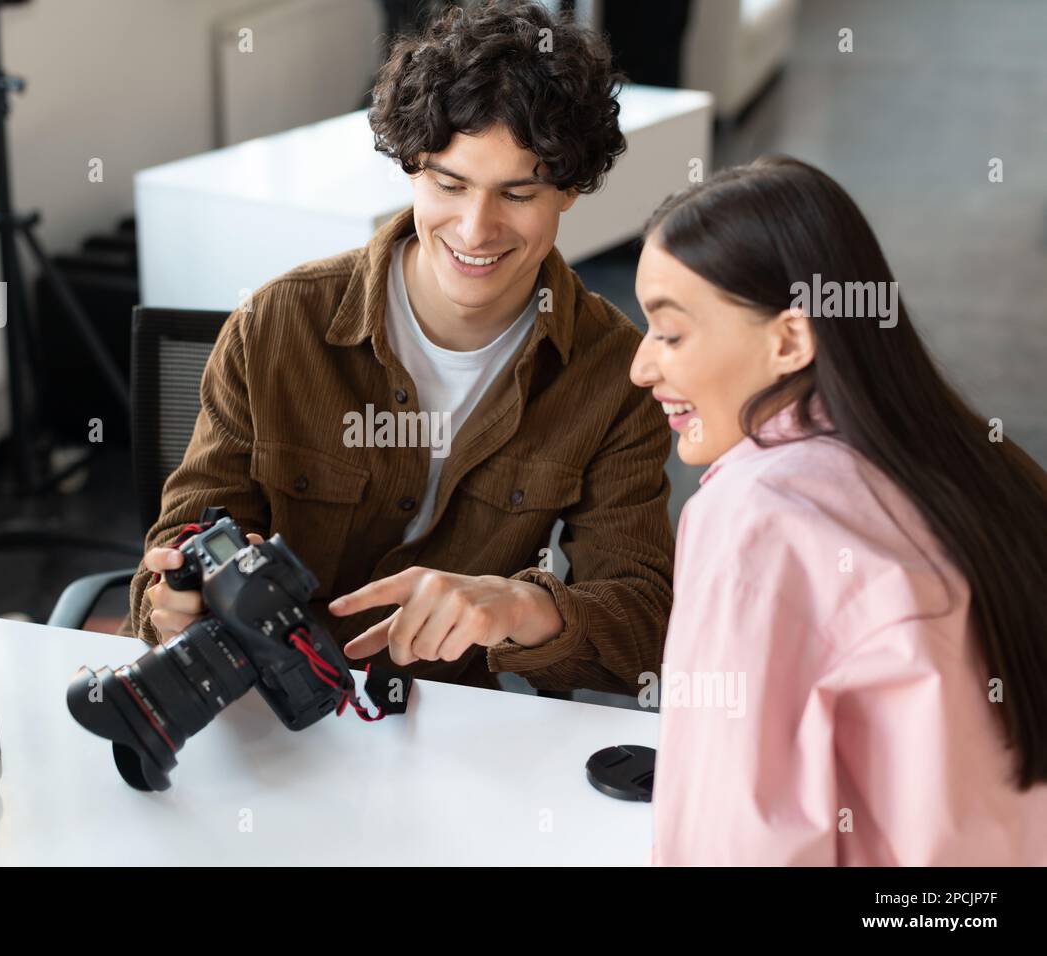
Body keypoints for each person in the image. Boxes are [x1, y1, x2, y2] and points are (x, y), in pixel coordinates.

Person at [122, 0, 674, 693]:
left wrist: (524, 606)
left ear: (569, 190)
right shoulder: (275, 323)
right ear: (410, 167)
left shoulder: (614, 375)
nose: (477, 229)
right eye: (450, 184)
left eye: (518, 192)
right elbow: (167, 566)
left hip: (451, 722)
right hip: (268, 708)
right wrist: (174, 601)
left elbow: (642, 626)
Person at [632, 155, 1047, 864]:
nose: (642, 366)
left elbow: (739, 843)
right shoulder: (985, 469)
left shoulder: (758, 521)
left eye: (670, 334)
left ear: (789, 340)